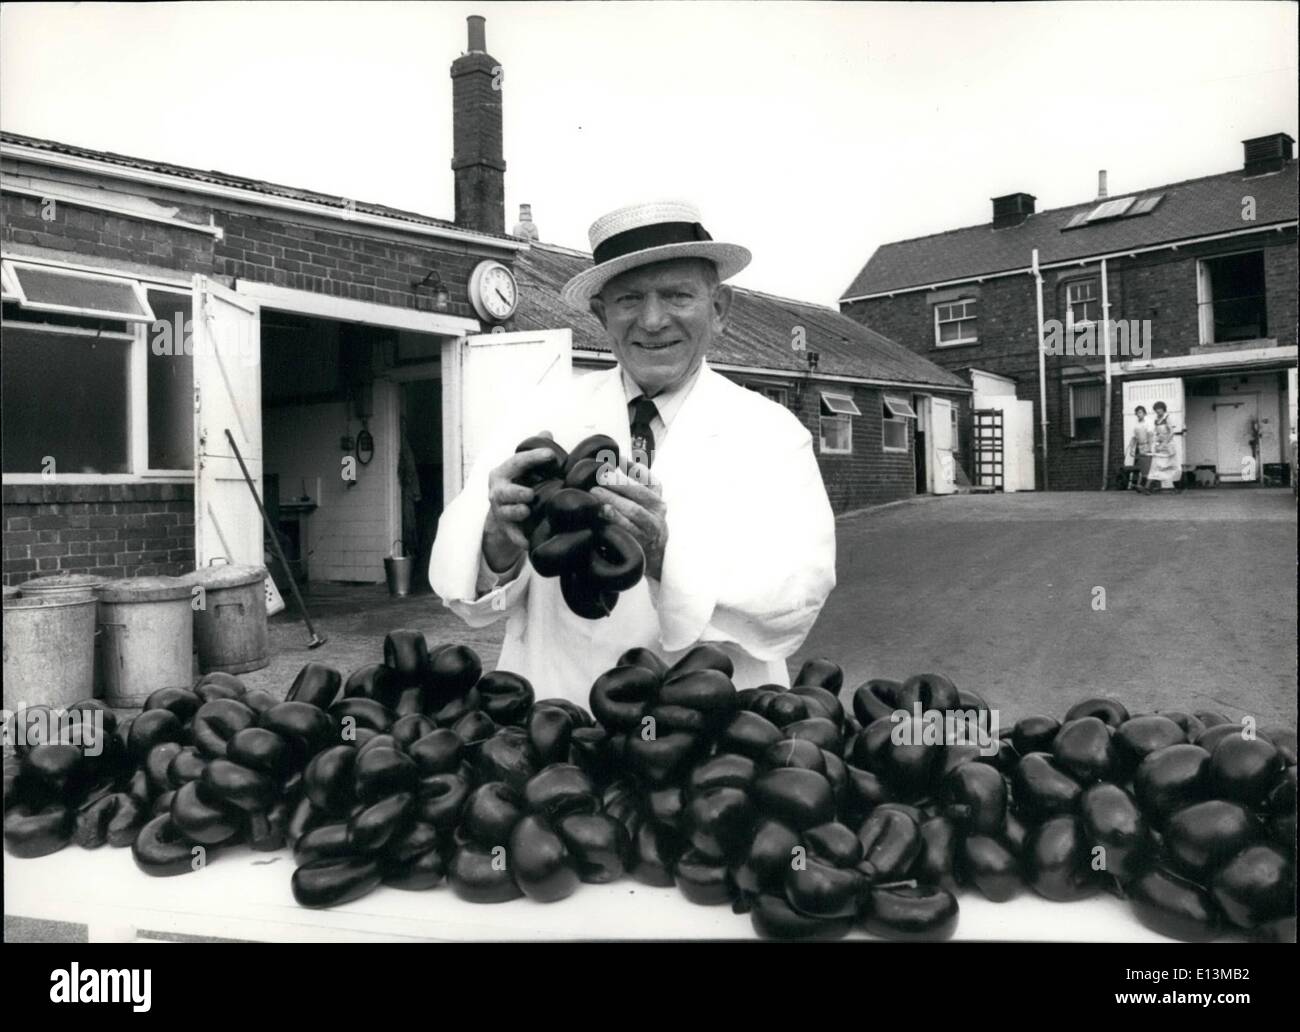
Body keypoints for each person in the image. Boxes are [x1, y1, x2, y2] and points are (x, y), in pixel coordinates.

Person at [429, 201, 837, 704]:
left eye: (677, 295)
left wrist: (666, 557)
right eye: (628, 300)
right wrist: (497, 540)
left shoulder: (772, 435)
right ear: (602, 315)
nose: (651, 320)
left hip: (714, 734)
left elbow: (797, 600)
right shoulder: (538, 414)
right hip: (559, 727)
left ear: (720, 309)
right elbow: (463, 588)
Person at [1146, 400, 1183, 493]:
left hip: (1168, 446)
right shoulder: (1156, 420)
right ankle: (1147, 487)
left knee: (1173, 466)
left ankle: (1177, 486)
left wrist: (1164, 443)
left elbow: (1171, 433)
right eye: (1156, 409)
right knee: (1155, 465)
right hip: (1160, 447)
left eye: (1160, 409)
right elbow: (1157, 433)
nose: (1158, 411)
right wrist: (1156, 443)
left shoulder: (1168, 418)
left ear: (1163, 409)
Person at [1126, 405, 1154, 494]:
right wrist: (1131, 448)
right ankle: (1142, 486)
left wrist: (1150, 447)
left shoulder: (1148, 421)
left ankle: (1147, 487)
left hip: (1148, 445)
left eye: (1140, 412)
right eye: (1137, 413)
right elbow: (1134, 437)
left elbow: (1150, 434)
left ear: (1144, 413)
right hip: (1140, 446)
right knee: (1143, 467)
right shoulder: (1137, 424)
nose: (1138, 414)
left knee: (1148, 467)